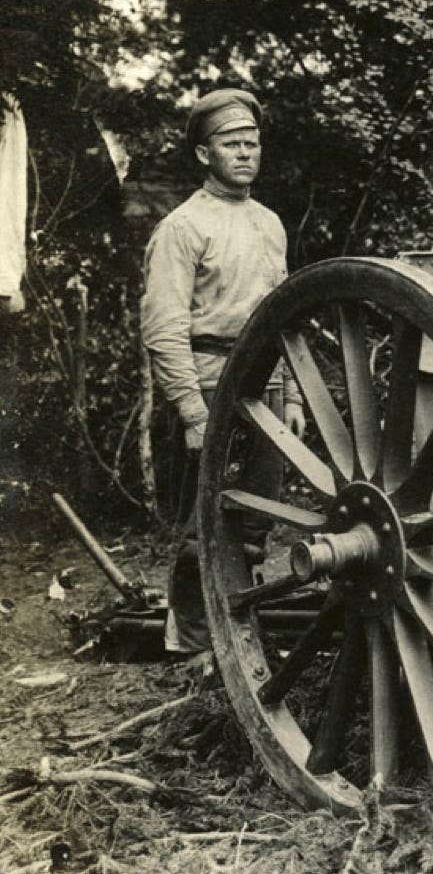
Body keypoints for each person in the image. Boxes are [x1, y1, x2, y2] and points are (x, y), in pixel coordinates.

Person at [140, 88, 304, 656]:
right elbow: (163, 328)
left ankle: (239, 635)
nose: (245, 154)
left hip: (267, 386)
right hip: (209, 384)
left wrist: (296, 398)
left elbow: (284, 313)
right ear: (204, 155)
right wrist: (190, 410)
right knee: (201, 523)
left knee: (256, 518)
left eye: (252, 144)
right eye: (231, 144)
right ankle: (190, 646)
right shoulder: (183, 228)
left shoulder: (270, 224)